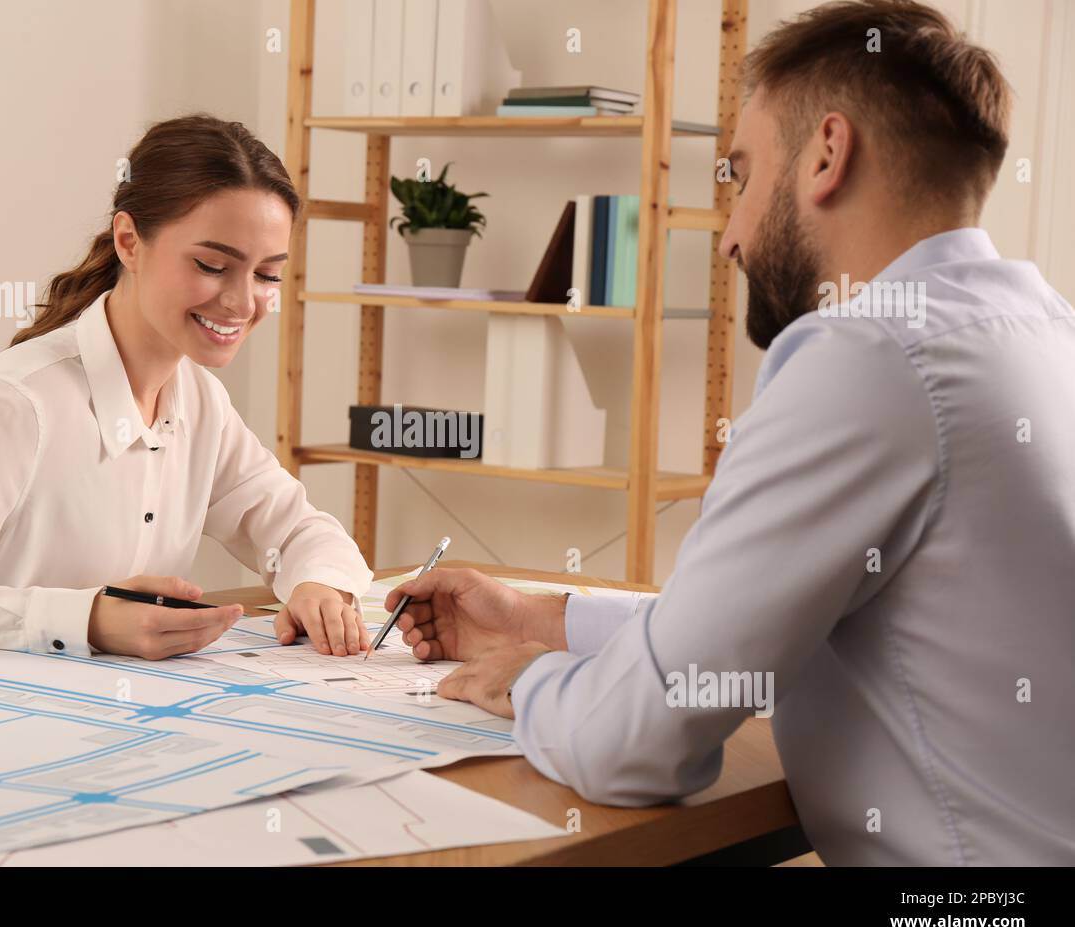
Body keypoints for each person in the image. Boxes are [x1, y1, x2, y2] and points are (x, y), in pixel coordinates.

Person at [384, 0, 1075, 865]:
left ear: (827, 153)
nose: (731, 238)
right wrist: (544, 617)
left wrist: (530, 681)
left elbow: (636, 747)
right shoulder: (1043, 333)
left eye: (741, 177)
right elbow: (746, 620)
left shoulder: (867, 355)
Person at [0, 114, 373, 661]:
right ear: (129, 241)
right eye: (211, 264)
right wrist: (87, 620)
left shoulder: (199, 402)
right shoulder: (24, 404)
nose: (244, 301)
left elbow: (296, 528)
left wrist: (320, 587)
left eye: (268, 274)